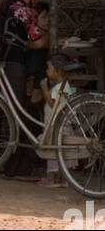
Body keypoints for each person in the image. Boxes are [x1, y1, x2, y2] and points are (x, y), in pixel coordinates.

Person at [0, 0, 45, 181]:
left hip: (12, 63)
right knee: (16, 114)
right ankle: (14, 166)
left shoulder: (18, 5)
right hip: (14, 65)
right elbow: (37, 40)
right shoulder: (21, 9)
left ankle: (15, 163)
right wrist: (54, 38)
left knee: (15, 111)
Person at [38, 54, 77, 187]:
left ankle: (50, 179)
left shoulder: (59, 88)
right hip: (63, 126)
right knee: (63, 154)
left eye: (49, 69)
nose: (46, 71)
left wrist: (43, 87)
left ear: (58, 72)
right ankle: (64, 179)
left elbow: (51, 103)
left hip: (56, 126)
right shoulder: (64, 86)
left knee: (53, 153)